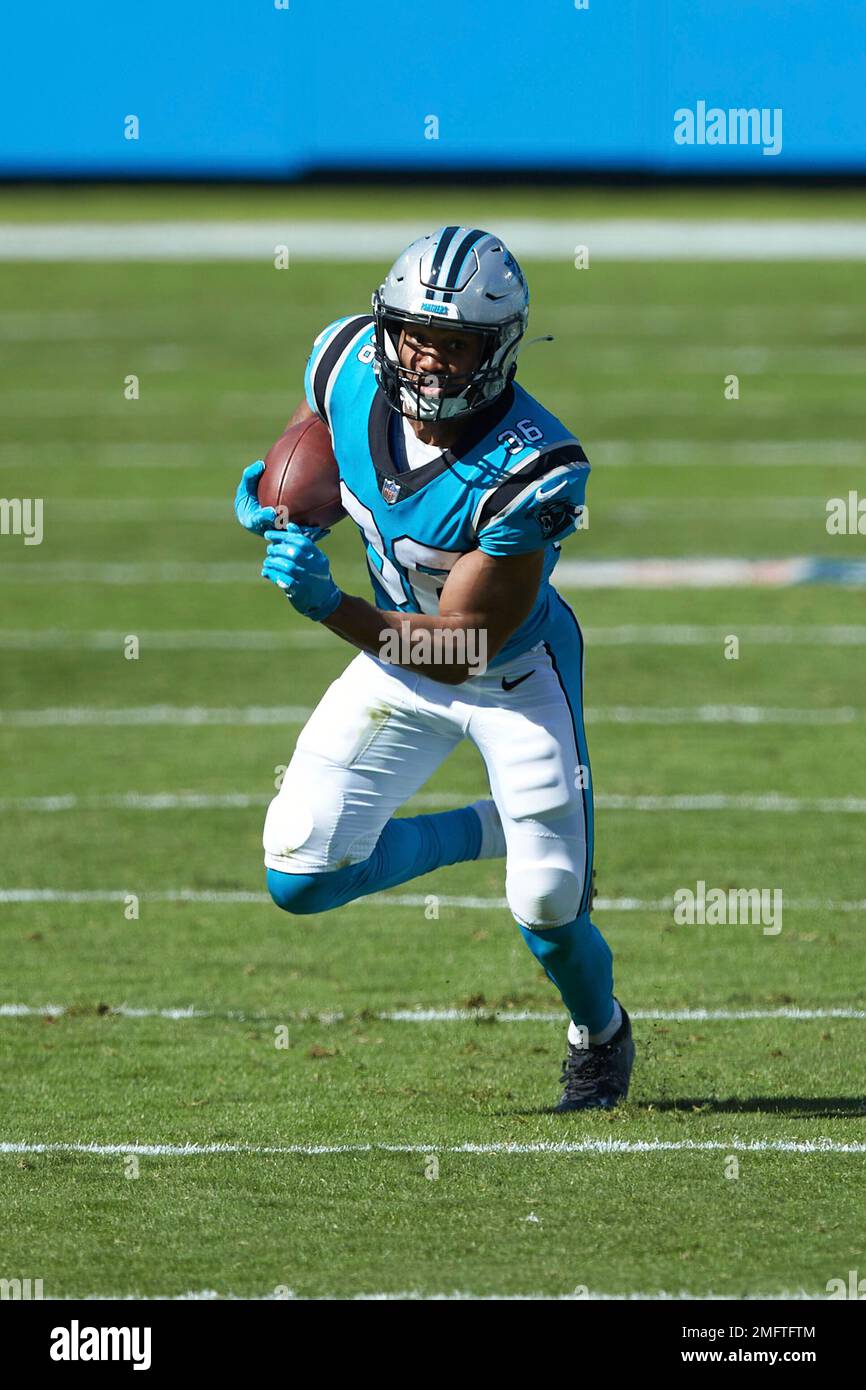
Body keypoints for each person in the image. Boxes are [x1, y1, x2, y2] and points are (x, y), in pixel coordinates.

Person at [234, 226, 634, 1110]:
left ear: (496, 350)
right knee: (299, 877)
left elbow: (459, 653)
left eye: (454, 344)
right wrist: (280, 496)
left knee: (550, 915)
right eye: (415, 334)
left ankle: (599, 1033)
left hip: (510, 677)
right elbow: (314, 429)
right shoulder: (346, 360)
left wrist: (329, 604)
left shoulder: (534, 468)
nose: (428, 361)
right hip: (392, 654)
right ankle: (483, 829)